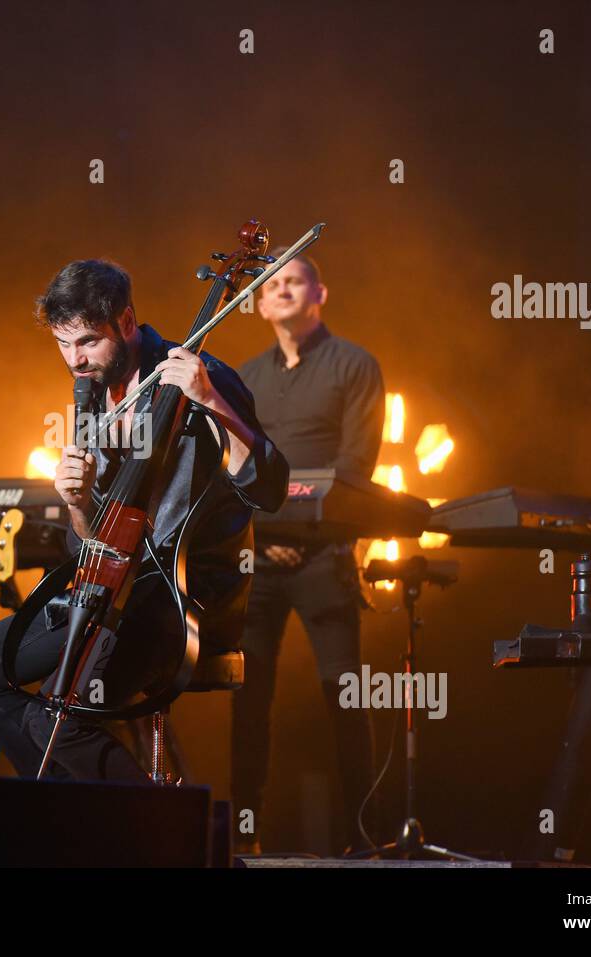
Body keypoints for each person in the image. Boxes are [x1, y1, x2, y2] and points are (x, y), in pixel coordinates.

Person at [0, 258, 288, 783]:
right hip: (111, 587)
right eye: (63, 345)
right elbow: (95, 540)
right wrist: (77, 501)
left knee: (52, 721)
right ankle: (85, 825)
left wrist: (211, 401)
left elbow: (269, 489)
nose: (74, 360)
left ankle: (162, 842)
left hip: (180, 596)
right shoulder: (91, 391)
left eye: (86, 342)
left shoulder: (202, 377)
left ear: (126, 323)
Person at [232, 248, 385, 854]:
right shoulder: (242, 376)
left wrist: (305, 538)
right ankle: (244, 841)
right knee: (246, 696)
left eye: (297, 280)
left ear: (321, 294)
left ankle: (364, 838)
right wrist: (264, 541)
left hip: (324, 557)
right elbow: (232, 469)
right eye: (274, 284)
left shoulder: (356, 365)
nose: (284, 289)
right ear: (259, 303)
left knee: (343, 693)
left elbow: (356, 470)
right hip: (259, 560)